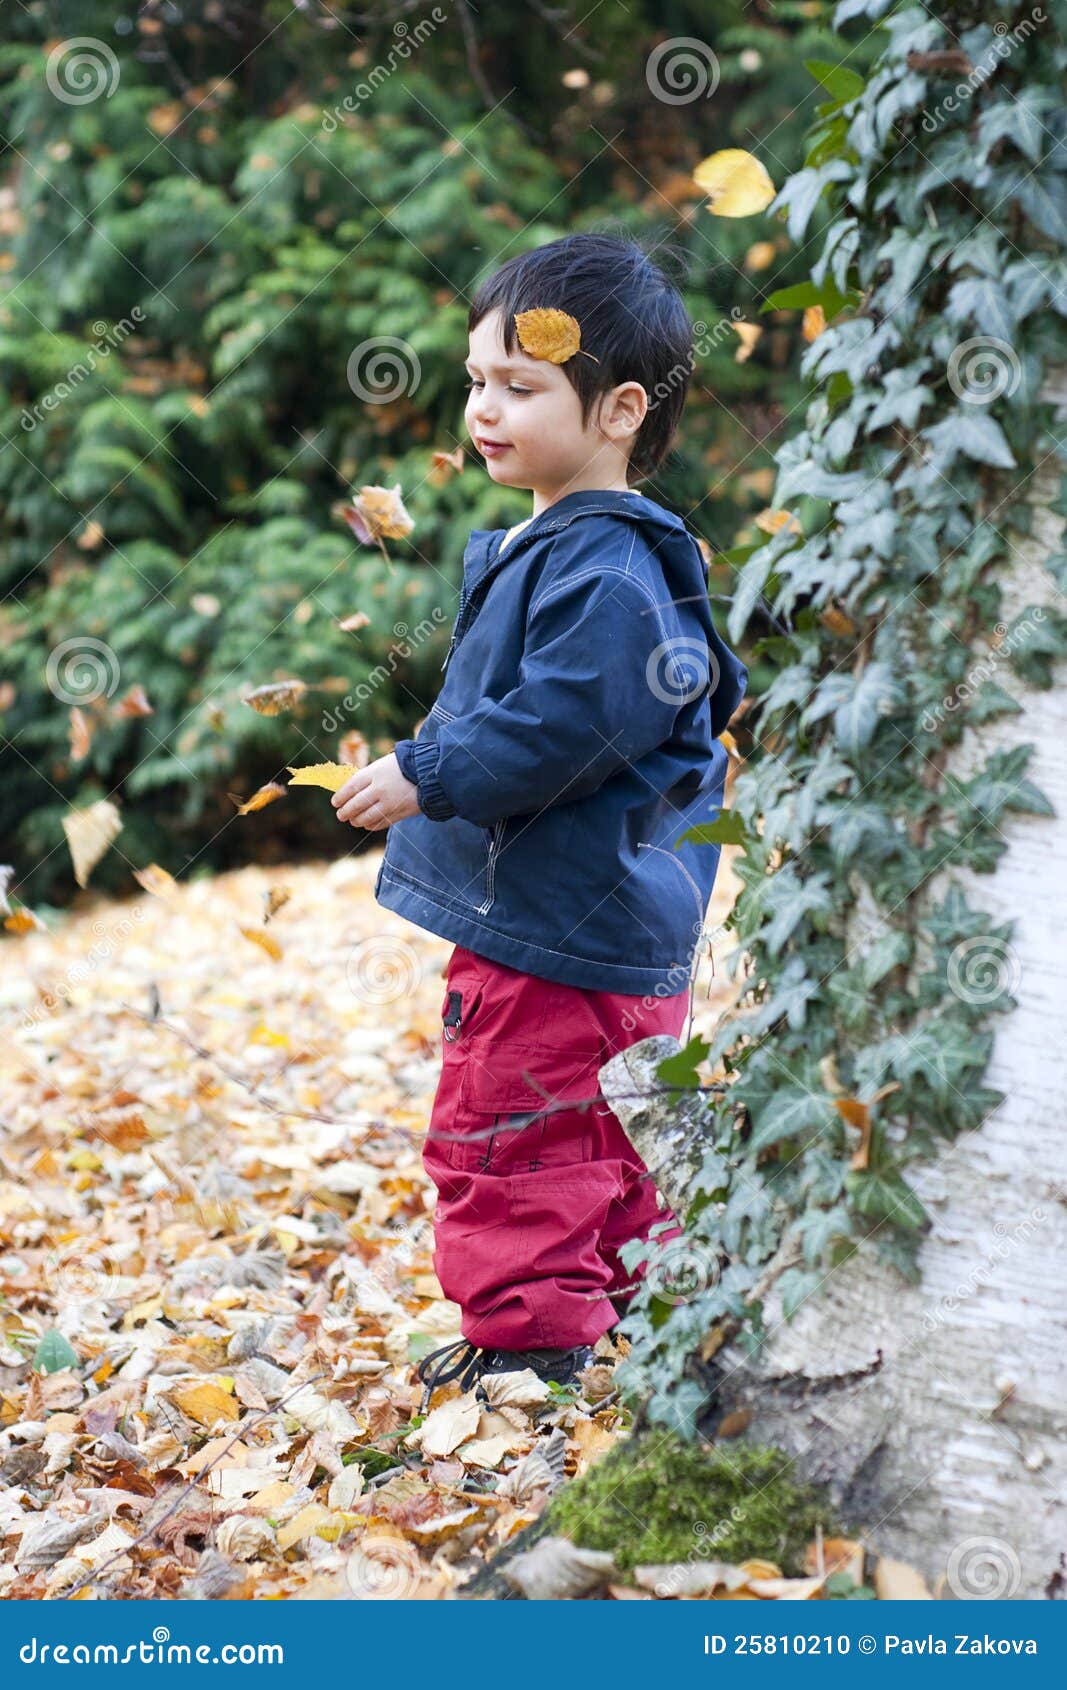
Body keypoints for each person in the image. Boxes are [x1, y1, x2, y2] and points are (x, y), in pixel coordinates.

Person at [331, 232, 747, 1401]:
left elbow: (567, 721)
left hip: (552, 930)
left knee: (509, 1132)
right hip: (607, 924)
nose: (484, 408)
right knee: (606, 1133)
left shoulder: (603, 571)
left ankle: (528, 1344)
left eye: (521, 386)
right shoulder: (579, 549)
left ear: (617, 409)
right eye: (475, 380)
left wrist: (429, 767)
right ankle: (613, 1315)